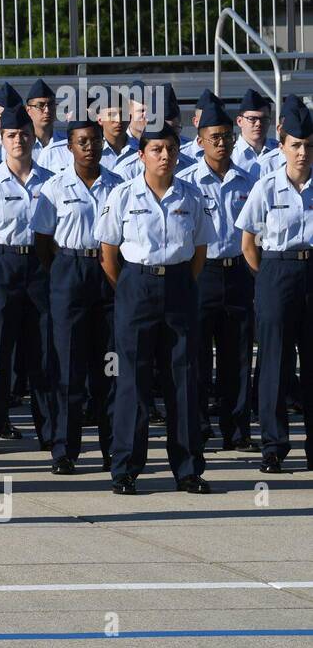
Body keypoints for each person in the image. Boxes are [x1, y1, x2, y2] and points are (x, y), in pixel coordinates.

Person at [96, 120, 215, 495]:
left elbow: (199, 251)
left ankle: (188, 468)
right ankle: (126, 468)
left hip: (179, 285)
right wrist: (133, 286)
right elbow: (108, 253)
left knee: (183, 378)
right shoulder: (123, 195)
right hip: (136, 285)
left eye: (171, 149)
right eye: (156, 150)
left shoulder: (192, 196)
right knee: (133, 380)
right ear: (141, 154)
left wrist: (177, 282)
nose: (165, 156)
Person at [32, 112, 123, 473]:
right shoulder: (55, 188)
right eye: (82, 142)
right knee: (67, 367)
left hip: (107, 273)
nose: (90, 147)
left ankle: (113, 447)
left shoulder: (117, 185)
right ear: (69, 147)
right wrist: (61, 272)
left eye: (95, 140)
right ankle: (65, 450)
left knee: (109, 367)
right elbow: (42, 242)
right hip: (69, 271)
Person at [0, 104, 56, 454]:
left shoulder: (51, 181)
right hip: (0, 263)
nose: (19, 140)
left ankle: (50, 431)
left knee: (42, 353)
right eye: (11, 135)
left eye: (24, 133)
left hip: (39, 266)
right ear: (1, 140)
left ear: (32, 136)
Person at [237, 97, 313, 474]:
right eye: (296, 145)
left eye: (308, 145)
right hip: (277, 270)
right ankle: (273, 445)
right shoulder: (267, 186)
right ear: (282, 145)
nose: (302, 153)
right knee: (273, 363)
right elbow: (248, 241)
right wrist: (267, 278)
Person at [181, 98, 256, 452]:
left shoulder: (250, 180)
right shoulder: (187, 183)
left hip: (238, 272)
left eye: (227, 136)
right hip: (201, 273)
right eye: (214, 137)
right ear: (199, 141)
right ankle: (199, 425)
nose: (222, 143)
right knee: (196, 357)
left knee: (238, 356)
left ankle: (237, 429)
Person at [232, 88, 276, 180]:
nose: (258, 124)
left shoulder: (280, 151)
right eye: (252, 119)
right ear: (239, 121)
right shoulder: (230, 155)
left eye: (264, 119)